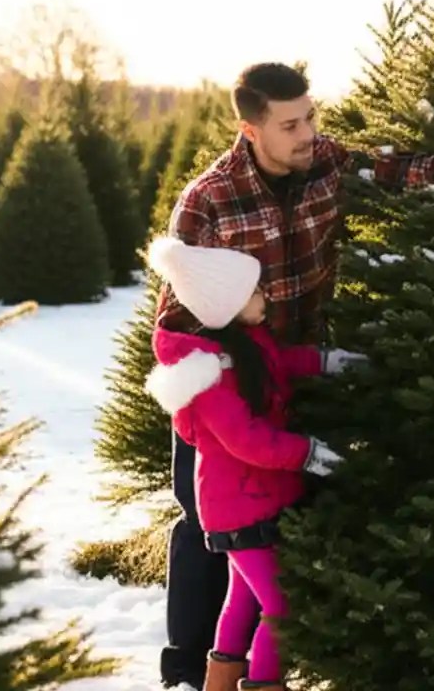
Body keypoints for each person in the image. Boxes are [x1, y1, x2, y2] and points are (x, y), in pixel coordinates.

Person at [154, 61, 434, 690]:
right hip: (228, 393)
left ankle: (288, 657)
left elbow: (399, 170)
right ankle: (187, 671)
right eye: (290, 125)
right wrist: (216, 400)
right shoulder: (210, 201)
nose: (307, 133)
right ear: (251, 128)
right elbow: (176, 321)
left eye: (310, 117)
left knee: (277, 530)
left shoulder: (323, 163)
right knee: (204, 518)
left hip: (299, 373)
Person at [145, 236, 363, 691]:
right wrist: (307, 452)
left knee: (242, 597)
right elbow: (246, 441)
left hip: (255, 497)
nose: (267, 297)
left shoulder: (243, 342)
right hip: (237, 505)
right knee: (281, 607)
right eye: (256, 292)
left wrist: (326, 362)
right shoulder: (208, 375)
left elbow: (278, 361)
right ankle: (265, 684)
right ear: (226, 305)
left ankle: (219, 683)